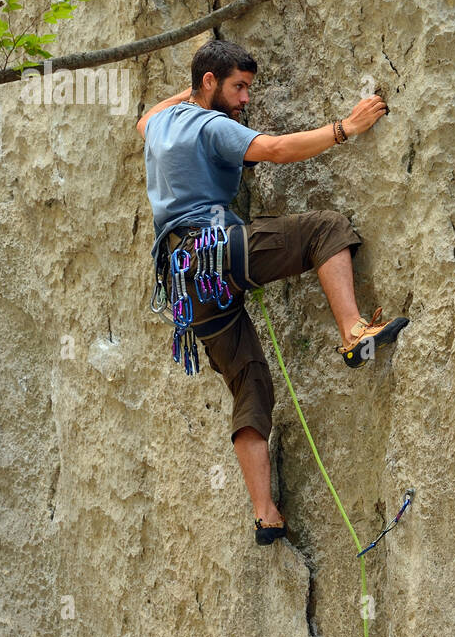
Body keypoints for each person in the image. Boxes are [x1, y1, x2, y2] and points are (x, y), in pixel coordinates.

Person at [138, 39, 408, 545]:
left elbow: (148, 113)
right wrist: (344, 128)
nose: (245, 99)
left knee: (250, 385)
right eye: (238, 87)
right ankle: (353, 330)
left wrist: (199, 85)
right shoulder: (211, 124)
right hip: (218, 250)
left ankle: (266, 513)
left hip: (184, 282)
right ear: (210, 83)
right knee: (324, 230)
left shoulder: (159, 125)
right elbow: (277, 149)